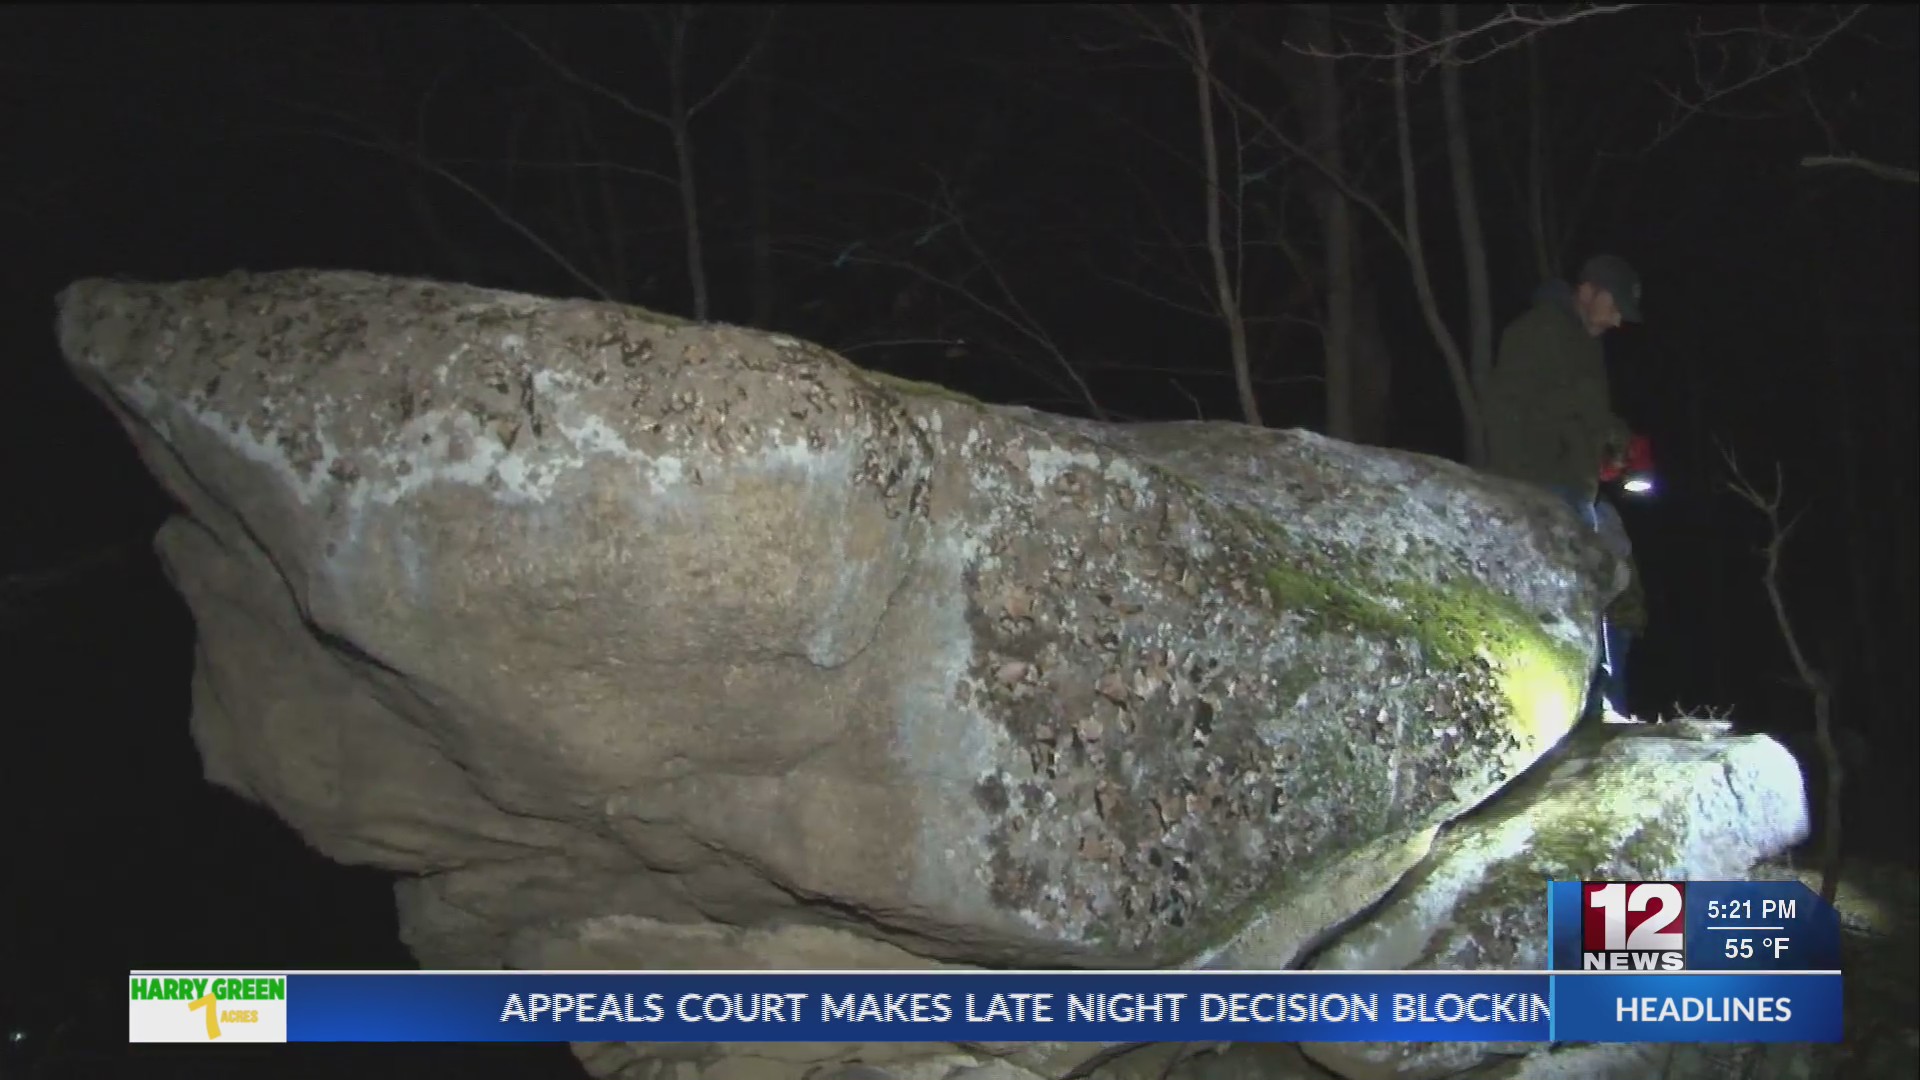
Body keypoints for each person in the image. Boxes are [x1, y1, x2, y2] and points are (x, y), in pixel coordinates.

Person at [1482, 254, 1643, 721]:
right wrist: (1584, 437)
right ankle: (1582, 709)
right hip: (1540, 486)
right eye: (1614, 307)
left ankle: (1592, 705)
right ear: (1589, 291)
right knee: (1570, 597)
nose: (1616, 321)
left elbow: (1582, 414)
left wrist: (1611, 442)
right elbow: (1514, 411)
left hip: (1573, 486)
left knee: (1587, 595)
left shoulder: (1582, 342)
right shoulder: (1537, 333)